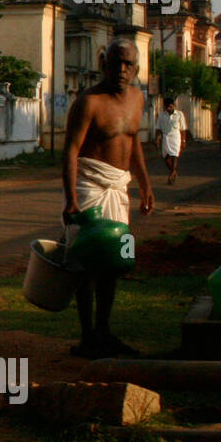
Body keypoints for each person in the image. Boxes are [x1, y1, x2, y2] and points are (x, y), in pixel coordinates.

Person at [63, 39, 155, 357]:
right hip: (90, 184)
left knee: (112, 262)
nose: (121, 69)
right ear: (103, 64)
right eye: (116, 62)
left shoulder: (137, 98)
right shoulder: (89, 102)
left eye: (128, 64)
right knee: (86, 261)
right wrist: (71, 198)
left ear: (137, 69)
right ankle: (87, 336)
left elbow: (135, 142)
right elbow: (71, 150)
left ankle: (104, 332)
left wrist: (144, 184)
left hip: (119, 186)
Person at [155, 97, 188, 185]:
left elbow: (183, 128)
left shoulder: (179, 114)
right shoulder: (161, 115)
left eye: (170, 106)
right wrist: (157, 139)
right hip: (165, 137)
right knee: (165, 157)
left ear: (174, 105)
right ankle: (173, 171)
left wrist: (184, 141)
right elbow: (158, 128)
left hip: (175, 137)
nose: (168, 108)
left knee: (174, 154)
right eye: (166, 107)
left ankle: (171, 174)